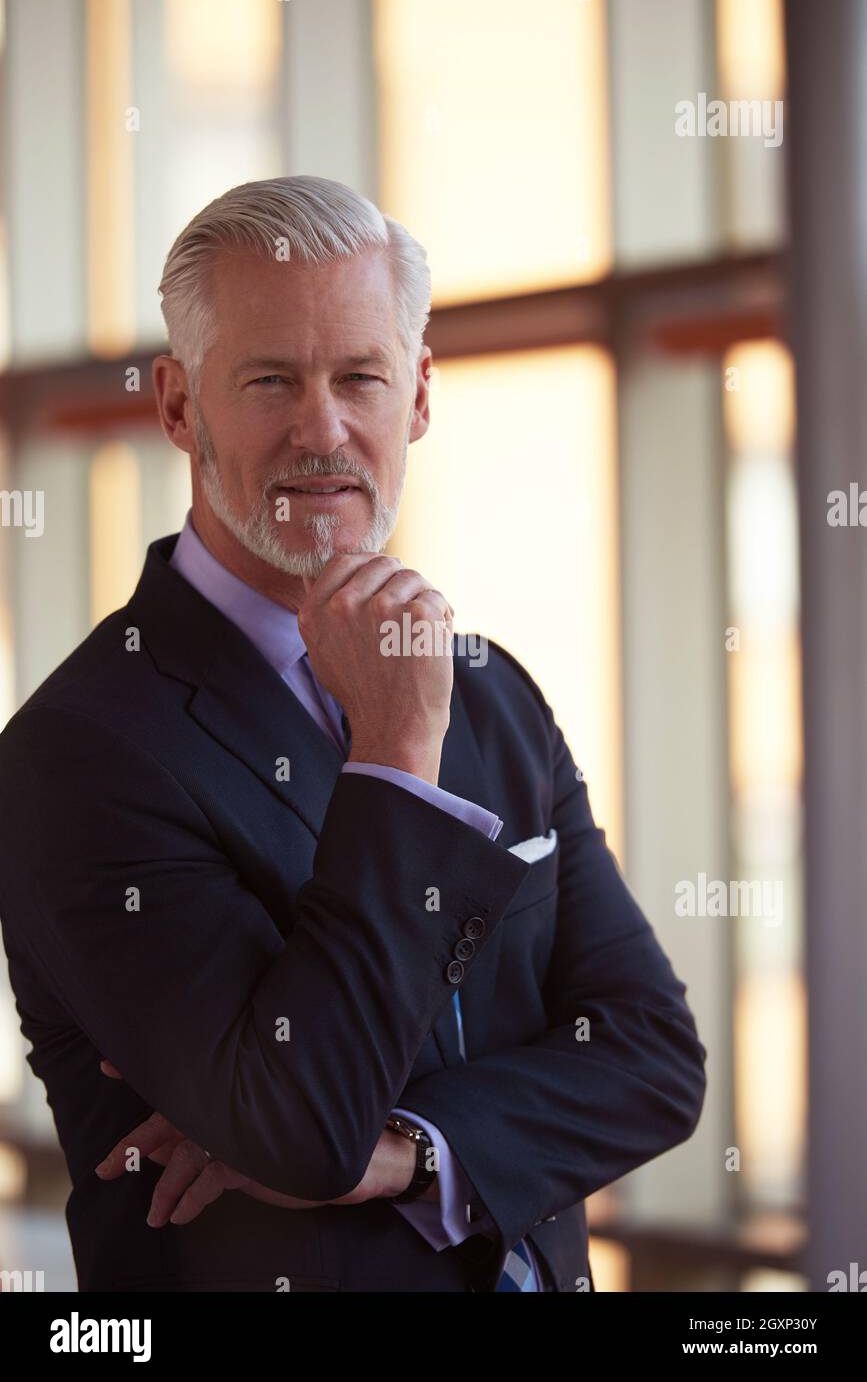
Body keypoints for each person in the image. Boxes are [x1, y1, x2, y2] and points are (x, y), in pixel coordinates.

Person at [0, 176, 706, 1292]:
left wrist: (408, 1153)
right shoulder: (79, 754)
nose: (321, 429)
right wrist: (394, 756)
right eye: (271, 378)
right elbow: (300, 1122)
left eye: (360, 377)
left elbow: (654, 1062)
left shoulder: (491, 692)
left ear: (417, 396)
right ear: (181, 407)